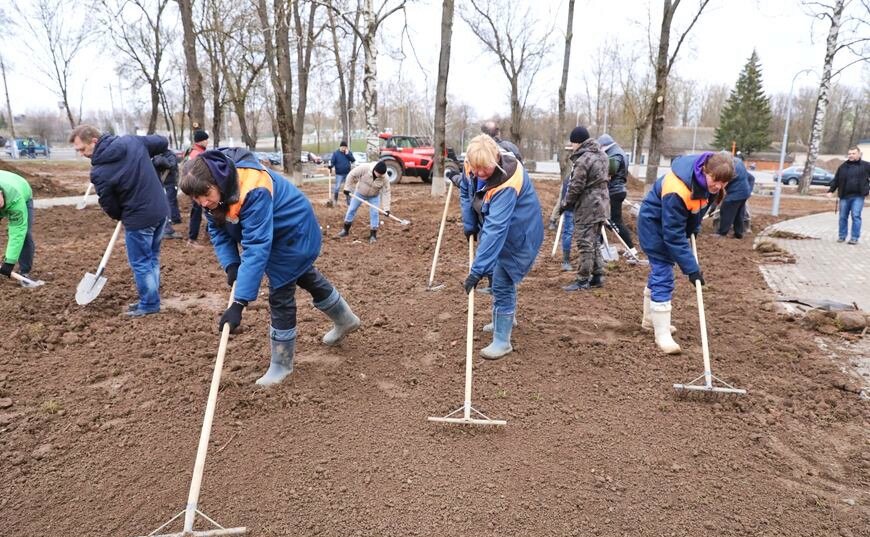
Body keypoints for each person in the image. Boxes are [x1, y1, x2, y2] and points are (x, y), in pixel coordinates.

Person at [179, 148, 360, 386]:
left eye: (205, 194)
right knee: (304, 275)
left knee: (281, 292)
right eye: (195, 198)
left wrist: (239, 302)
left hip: (293, 232)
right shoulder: (213, 194)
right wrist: (232, 265)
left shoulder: (253, 188)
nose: (202, 202)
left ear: (217, 182)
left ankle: (281, 364)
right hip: (273, 233)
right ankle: (346, 320)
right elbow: (217, 229)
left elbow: (256, 247)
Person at [637, 152, 734, 354]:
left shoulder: (707, 185)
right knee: (663, 273)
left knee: (659, 272)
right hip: (654, 227)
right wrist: (692, 269)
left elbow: (695, 211)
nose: (718, 187)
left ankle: (649, 320)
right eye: (715, 181)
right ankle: (662, 334)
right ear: (704, 171)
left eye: (723, 183)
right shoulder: (677, 189)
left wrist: (693, 231)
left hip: (670, 227)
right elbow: (672, 235)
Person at [70, 124, 170, 317]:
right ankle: (152, 298)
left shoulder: (99, 172)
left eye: (82, 149)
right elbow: (162, 142)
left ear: (94, 141)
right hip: (160, 210)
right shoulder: (132, 141)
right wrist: (158, 156)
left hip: (139, 219)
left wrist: (121, 216)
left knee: (141, 262)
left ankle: (149, 304)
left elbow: (109, 204)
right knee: (152, 258)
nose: (82, 154)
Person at [460, 134, 543, 360]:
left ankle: (502, 340)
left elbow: (497, 229)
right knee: (498, 278)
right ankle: (503, 319)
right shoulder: (473, 163)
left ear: (495, 158)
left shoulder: (507, 180)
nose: (479, 174)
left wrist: (477, 270)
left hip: (519, 234)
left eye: (484, 169)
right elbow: (466, 191)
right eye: (475, 168)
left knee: (503, 279)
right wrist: (469, 224)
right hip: (499, 229)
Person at [559, 127, 610, 291]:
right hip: (602, 203)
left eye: (572, 143)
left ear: (577, 142)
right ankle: (598, 275)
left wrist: (566, 203)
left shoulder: (583, 160)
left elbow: (576, 186)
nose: (572, 146)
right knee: (594, 240)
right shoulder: (602, 155)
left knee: (585, 243)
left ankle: (582, 280)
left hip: (588, 205)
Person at [597, 134, 638, 257]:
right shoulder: (617, 151)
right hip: (617, 190)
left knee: (615, 222)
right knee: (605, 220)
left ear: (604, 145)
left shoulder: (615, 154)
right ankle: (599, 246)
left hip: (614, 191)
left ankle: (631, 249)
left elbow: (609, 170)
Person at [335, 160, 391, 244]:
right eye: (378, 174)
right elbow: (351, 175)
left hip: (374, 196)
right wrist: (347, 188)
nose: (379, 176)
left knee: (374, 213)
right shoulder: (365, 168)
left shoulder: (385, 178)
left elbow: (386, 192)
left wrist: (386, 208)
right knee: (351, 209)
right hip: (360, 193)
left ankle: (373, 235)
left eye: (381, 175)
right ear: (374, 170)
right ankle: (345, 230)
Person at [0, 170, 40, 287]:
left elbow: (17, 232)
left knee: (25, 234)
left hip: (22, 190)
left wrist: (9, 262)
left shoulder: (16, 200)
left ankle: (25, 272)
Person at [827, 146, 870, 245]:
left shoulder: (866, 166)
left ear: (859, 154)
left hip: (858, 196)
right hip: (844, 196)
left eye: (853, 153)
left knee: (855, 215)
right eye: (849, 153)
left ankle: (854, 238)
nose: (851, 155)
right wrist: (830, 191)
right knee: (842, 217)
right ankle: (842, 236)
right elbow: (836, 180)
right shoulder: (843, 167)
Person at [713, 155, 754, 239]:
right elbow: (751, 177)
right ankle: (739, 234)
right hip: (744, 193)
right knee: (739, 213)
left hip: (735, 193)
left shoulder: (730, 167)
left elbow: (723, 181)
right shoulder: (739, 162)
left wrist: (713, 205)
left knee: (726, 211)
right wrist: (749, 190)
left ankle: (722, 233)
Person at [185, 129, 210, 246]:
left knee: (198, 211)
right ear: (200, 141)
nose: (207, 142)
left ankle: (206, 234)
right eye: (206, 140)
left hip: (193, 186)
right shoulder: (198, 154)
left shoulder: (192, 151)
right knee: (203, 210)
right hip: (197, 186)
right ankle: (193, 238)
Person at [152, 147, 182, 240]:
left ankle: (173, 220)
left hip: (169, 183)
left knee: (170, 202)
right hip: (162, 184)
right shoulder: (156, 156)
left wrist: (162, 161)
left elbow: (171, 165)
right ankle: (167, 228)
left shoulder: (169, 155)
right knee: (167, 203)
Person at [327, 140, 355, 207]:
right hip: (339, 174)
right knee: (337, 187)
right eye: (343, 147)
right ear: (340, 147)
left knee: (348, 188)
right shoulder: (336, 153)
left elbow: (353, 160)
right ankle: (335, 201)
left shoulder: (348, 153)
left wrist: (348, 154)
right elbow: (333, 162)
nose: (344, 149)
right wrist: (330, 166)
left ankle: (349, 203)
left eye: (345, 147)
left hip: (347, 174)